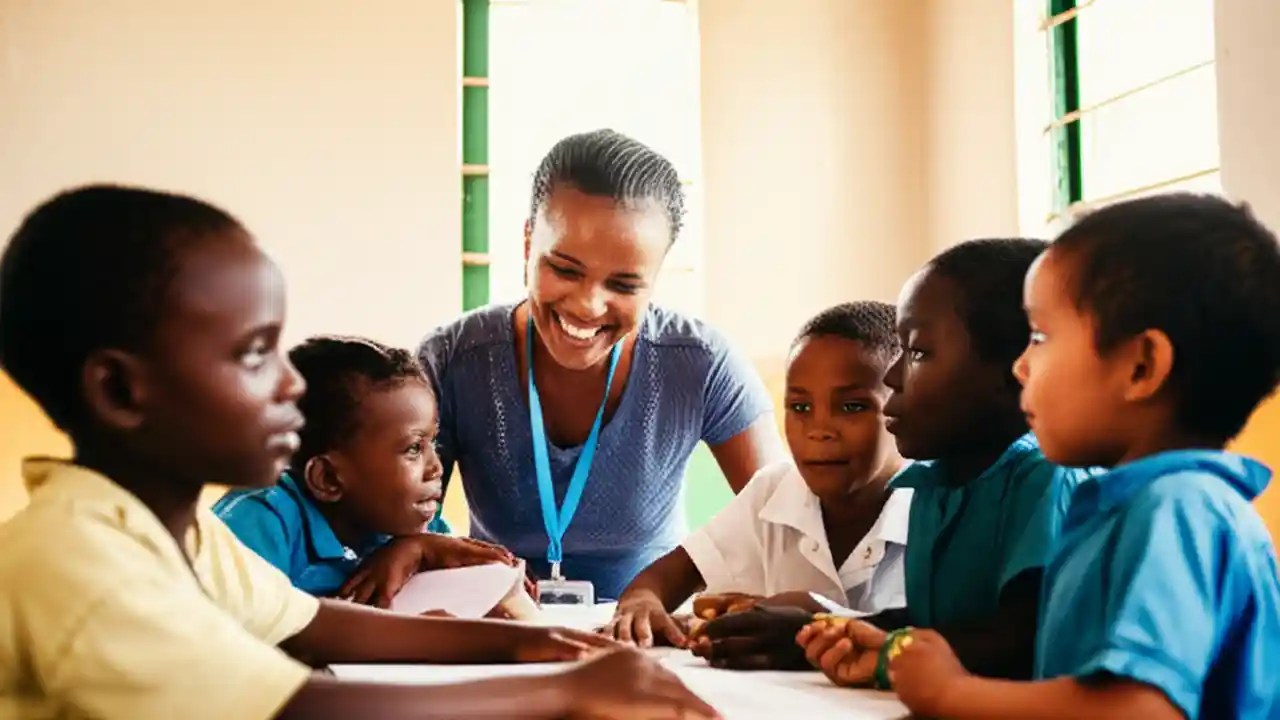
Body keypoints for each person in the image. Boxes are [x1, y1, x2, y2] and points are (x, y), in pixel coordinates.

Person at [0, 184, 719, 720]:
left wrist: (531, 645)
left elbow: (318, 622)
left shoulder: (168, 532)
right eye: (254, 355)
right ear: (121, 390)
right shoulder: (77, 560)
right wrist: (563, 691)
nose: (289, 383)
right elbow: (298, 711)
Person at [883, 194, 1280, 719]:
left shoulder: (1178, 508)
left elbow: (1139, 712)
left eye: (1040, 337)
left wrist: (953, 694)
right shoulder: (1126, 509)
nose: (1021, 367)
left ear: (1141, 367)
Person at [419, 129, 784, 600]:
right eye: (565, 270)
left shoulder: (701, 364)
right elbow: (401, 534)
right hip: (503, 625)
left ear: (656, 277)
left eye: (625, 285)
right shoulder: (453, 359)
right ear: (528, 242)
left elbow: (783, 524)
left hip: (650, 631)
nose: (589, 306)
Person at [721, 239, 1093, 677]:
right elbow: (934, 627)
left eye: (916, 352)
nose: (894, 376)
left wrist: (883, 652)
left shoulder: (1047, 480)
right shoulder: (934, 488)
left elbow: (1020, 642)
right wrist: (821, 633)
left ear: (1013, 369)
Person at [606, 302, 910, 650]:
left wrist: (820, 619)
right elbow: (665, 577)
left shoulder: (937, 508)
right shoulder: (774, 490)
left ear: (904, 407)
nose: (819, 430)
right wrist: (641, 604)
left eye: (852, 407)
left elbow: (946, 637)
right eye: (800, 408)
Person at [215, 336, 523, 604]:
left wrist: (493, 587)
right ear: (328, 478)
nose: (436, 467)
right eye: (414, 448)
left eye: (434, 443)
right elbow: (247, 634)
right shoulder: (259, 522)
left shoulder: (415, 528)